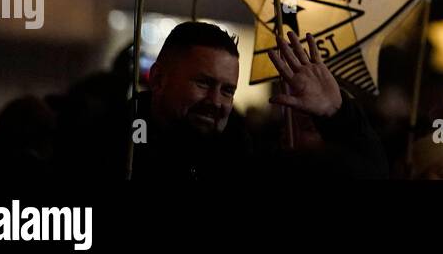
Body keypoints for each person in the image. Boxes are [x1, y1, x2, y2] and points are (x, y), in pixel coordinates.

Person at [125, 21, 387, 179]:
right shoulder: (107, 143)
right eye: (203, 83)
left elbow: (368, 174)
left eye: (228, 90)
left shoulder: (243, 159)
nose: (215, 101)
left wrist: (338, 113)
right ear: (159, 79)